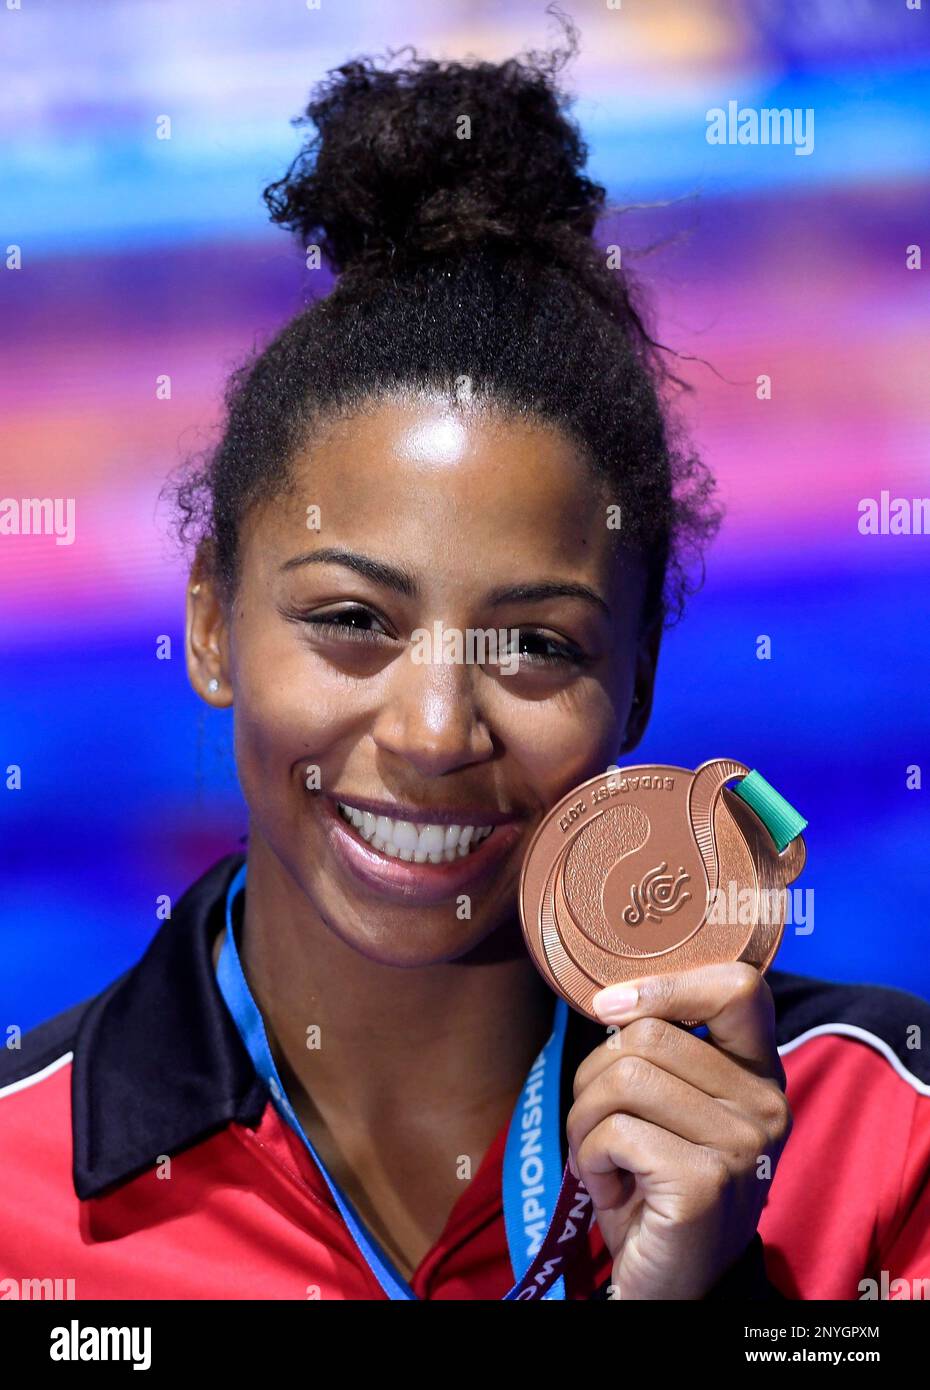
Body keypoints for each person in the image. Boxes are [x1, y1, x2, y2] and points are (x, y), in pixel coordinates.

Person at [2, 31, 929, 1303]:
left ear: (640, 673)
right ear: (211, 619)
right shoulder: (19, 1191)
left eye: (536, 643)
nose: (436, 729)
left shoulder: (880, 1131)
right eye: (351, 620)